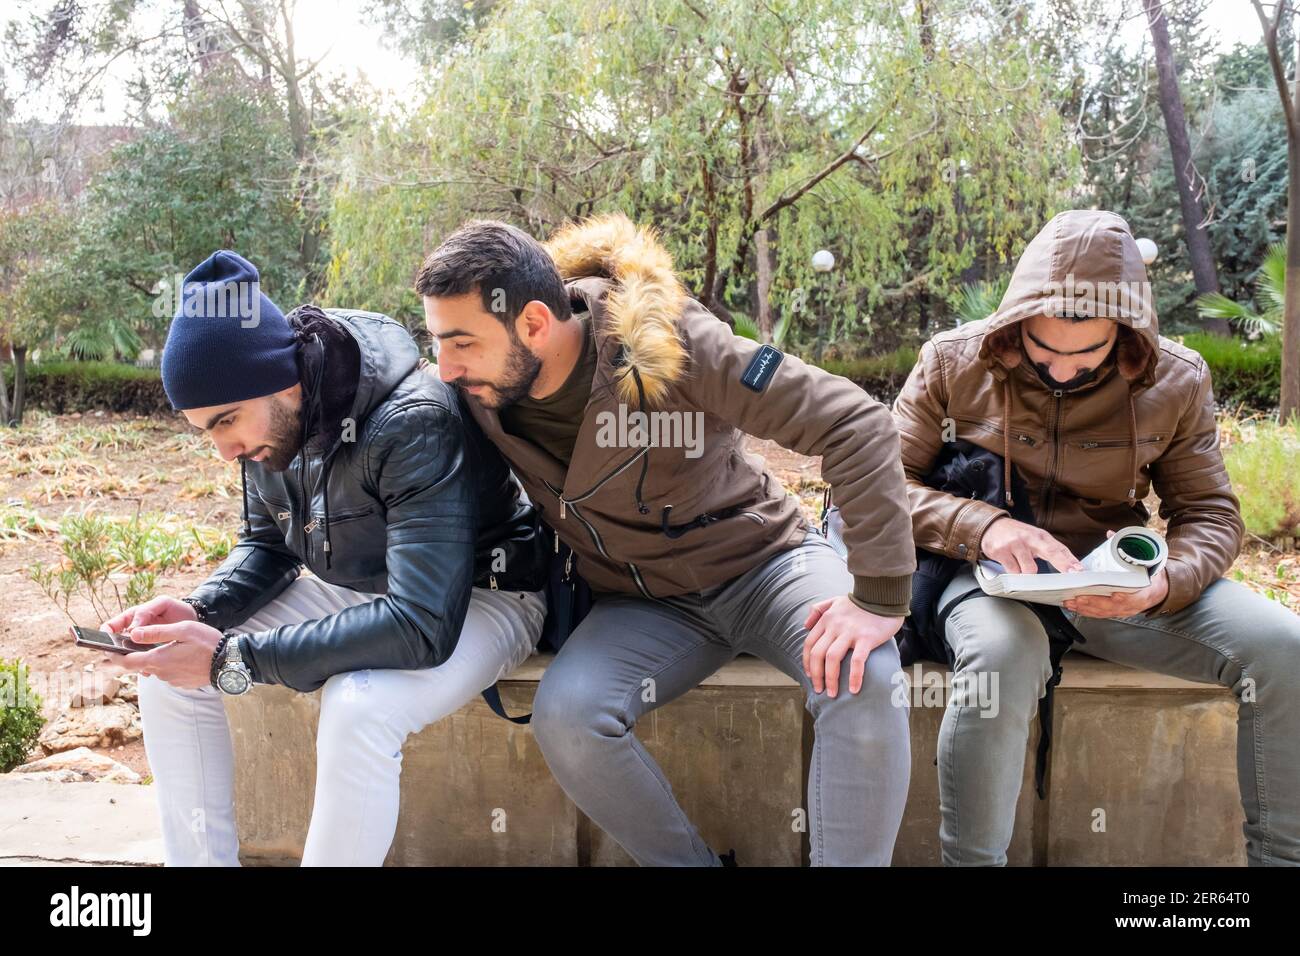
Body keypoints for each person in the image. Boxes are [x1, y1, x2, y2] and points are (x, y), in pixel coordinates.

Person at [416, 214, 917, 865]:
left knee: (862, 674)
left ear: (534, 323)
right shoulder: (471, 390)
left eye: (460, 343)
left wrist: (878, 596)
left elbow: (856, 424)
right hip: (641, 601)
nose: (445, 368)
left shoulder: (668, 341)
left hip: (766, 563)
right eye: (435, 342)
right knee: (568, 718)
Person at [103, 249, 546, 866]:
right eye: (207, 430)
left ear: (284, 380)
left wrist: (233, 657)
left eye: (227, 421)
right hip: (367, 591)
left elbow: (422, 624)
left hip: (480, 596)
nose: (224, 450)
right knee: (167, 672)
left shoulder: (412, 421)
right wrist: (201, 613)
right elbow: (267, 547)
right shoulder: (271, 429)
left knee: (358, 707)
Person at [892, 208, 1300, 866]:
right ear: (1016, 323)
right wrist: (984, 526)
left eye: (1086, 353)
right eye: (1043, 349)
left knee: (1285, 649)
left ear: (1127, 334)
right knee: (1002, 658)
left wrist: (1167, 583)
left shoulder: (1178, 378)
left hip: (1110, 581)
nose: (1061, 370)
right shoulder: (951, 360)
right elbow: (878, 488)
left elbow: (1211, 513)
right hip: (983, 577)